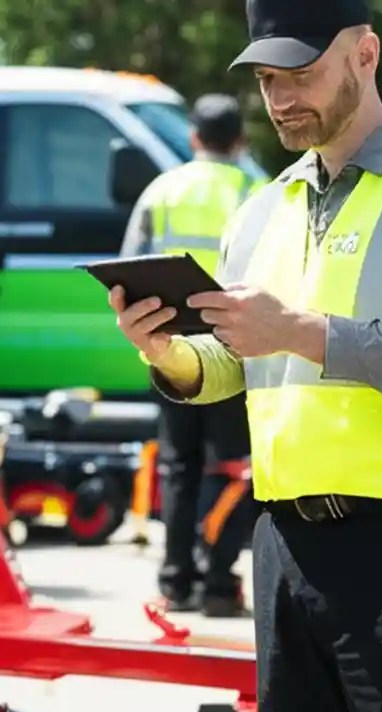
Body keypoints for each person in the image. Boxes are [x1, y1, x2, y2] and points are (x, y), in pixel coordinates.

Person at [107, 0, 382, 712]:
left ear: (365, 55)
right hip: (284, 545)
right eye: (267, 81)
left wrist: (302, 332)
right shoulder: (262, 209)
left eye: (300, 74)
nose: (281, 98)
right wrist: (168, 354)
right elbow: (240, 361)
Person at [119, 93, 261, 618]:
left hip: (173, 351)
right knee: (232, 469)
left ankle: (176, 581)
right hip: (234, 350)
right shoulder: (258, 190)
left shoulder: (163, 189)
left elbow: (130, 266)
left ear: (194, 138)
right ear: (240, 140)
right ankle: (220, 582)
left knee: (179, 468)